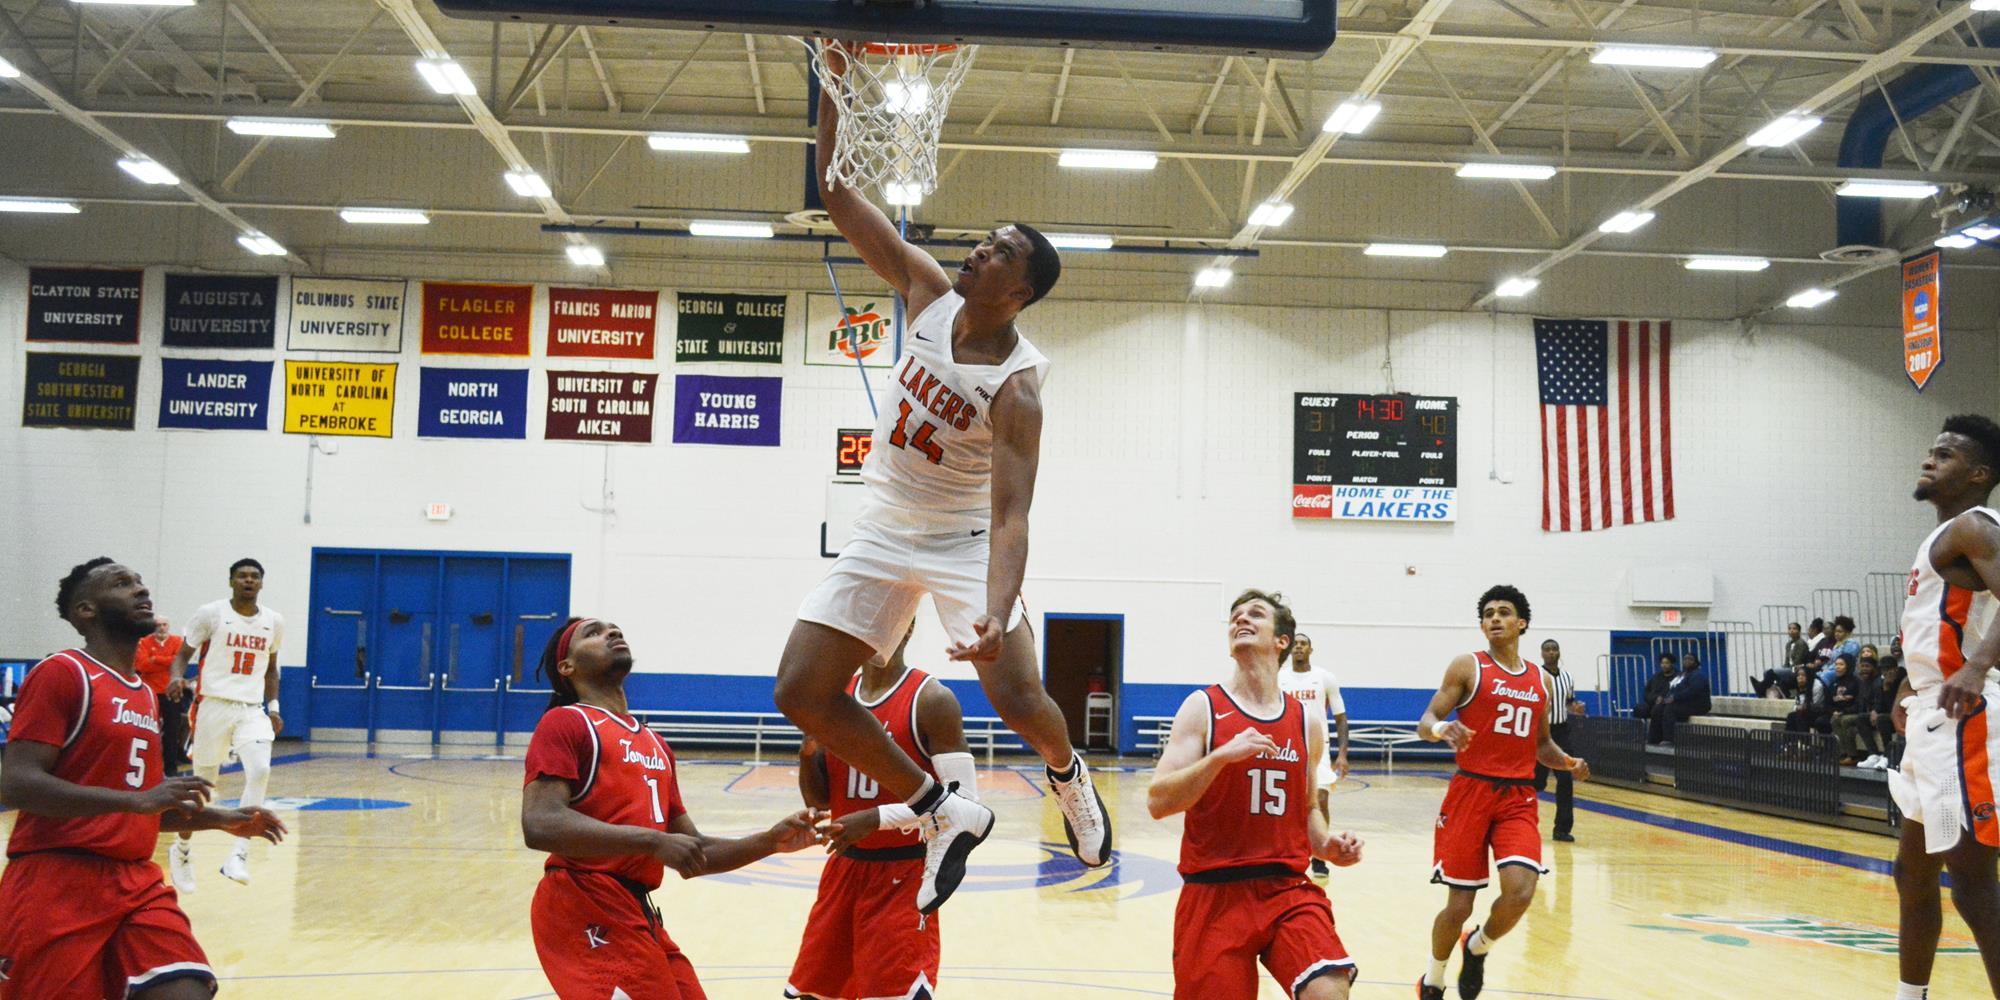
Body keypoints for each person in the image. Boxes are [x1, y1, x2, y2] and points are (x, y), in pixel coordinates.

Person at [770, 38, 1106, 915]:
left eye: (998, 252)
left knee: (1016, 691)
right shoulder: (925, 290)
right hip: (885, 522)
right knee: (801, 691)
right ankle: (942, 805)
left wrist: (995, 608)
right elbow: (839, 192)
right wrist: (834, 87)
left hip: (962, 537)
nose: (977, 252)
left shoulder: (1018, 386)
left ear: (1021, 289)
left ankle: (1069, 777)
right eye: (984, 241)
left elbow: (1010, 518)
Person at [0, 557, 285, 999]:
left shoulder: (143, 697)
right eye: (122, 584)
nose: (140, 590)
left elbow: (144, 806)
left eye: (139, 582)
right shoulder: (63, 673)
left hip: (136, 882)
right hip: (57, 879)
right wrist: (138, 802)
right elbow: (16, 784)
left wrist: (221, 820)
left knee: (186, 989)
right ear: (86, 611)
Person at [521, 617, 824, 1000]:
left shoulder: (656, 745)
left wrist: (769, 841)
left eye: (615, 629)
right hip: (582, 900)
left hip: (634, 908)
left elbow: (692, 851)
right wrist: (650, 842)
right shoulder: (566, 723)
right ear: (567, 667)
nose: (612, 633)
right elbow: (540, 823)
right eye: (593, 633)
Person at [1147, 590, 1364, 1000]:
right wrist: (1220, 758)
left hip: (1286, 889)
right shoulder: (1203, 707)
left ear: (1282, 641)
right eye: (1235, 615)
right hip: (1215, 893)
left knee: (1329, 989)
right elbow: (1158, 800)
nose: (1240, 619)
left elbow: (1307, 807)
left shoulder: (1305, 721)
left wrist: (1327, 845)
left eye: (1256, 614)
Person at [1416, 585, 1589, 1000]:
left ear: (1521, 623)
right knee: (1459, 906)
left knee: (1521, 891)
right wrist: (1443, 729)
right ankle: (1434, 977)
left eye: (1504, 612)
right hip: (1470, 792)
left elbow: (1541, 744)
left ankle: (1477, 948)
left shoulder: (1538, 680)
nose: (1494, 618)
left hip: (1517, 795)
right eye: (1488, 613)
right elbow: (1426, 722)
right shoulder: (1467, 667)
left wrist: (1566, 761)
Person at [789, 622, 967, 1000]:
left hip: (904, 871)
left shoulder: (932, 700)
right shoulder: (834, 697)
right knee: (812, 993)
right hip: (844, 869)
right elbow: (820, 800)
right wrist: (807, 755)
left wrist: (876, 819)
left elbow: (963, 807)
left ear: (908, 626)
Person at [1889, 414, 2000, 1000]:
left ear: (1979, 474)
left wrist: (1977, 666)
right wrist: (1906, 688)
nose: (1930, 460)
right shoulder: (1943, 535)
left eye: (1947, 455)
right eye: (1931, 451)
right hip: (1934, 715)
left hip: (1964, 716)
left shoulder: (1975, 527)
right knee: (1913, 872)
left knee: (1973, 885)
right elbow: (1934, 629)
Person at [164, 557, 284, 891]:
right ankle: (183, 849)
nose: (248, 581)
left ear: (262, 583)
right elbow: (181, 655)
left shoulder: (274, 621)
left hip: (250, 709)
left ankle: (238, 854)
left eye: (254, 576)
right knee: (203, 786)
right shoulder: (211, 613)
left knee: (260, 770)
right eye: (242, 576)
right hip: (212, 704)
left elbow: (272, 669)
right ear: (231, 581)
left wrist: (272, 707)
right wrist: (176, 678)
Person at [1278, 631, 1349, 876]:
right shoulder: (1279, 678)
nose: (1298, 647)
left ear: (1310, 649)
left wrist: (1342, 753)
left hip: (1319, 748)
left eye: (1303, 644)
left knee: (1321, 800)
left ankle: (1319, 855)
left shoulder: (1325, 678)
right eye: (1295, 644)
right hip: (1287, 747)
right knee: (1287, 803)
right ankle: (1286, 851)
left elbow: (1340, 717)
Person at [1533, 639, 1586, 843]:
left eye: (1555, 649)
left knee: (1565, 780)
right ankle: (1522, 822)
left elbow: (1569, 702)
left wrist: (1576, 708)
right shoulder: (1536, 676)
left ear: (1559, 653)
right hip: (1540, 733)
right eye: (1547, 649)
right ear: (1542, 653)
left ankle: (1562, 829)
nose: (1551, 652)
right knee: (1536, 782)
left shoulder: (1567, 677)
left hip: (1562, 732)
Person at [133, 615, 189, 775]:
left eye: (164, 624)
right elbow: (141, 665)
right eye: (158, 625)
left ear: (168, 626)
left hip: (172, 691)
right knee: (147, 730)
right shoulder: (143, 642)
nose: (161, 627)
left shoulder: (177, 641)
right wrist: (167, 661)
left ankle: (171, 768)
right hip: (150, 693)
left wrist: (155, 659)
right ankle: (147, 766)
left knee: (172, 731)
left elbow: (179, 662)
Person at [1648, 653, 1713, 745]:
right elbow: (1673, 689)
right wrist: (1665, 699)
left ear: (1696, 663)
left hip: (1698, 705)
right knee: (1658, 708)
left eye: (1690, 659)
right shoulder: (1681, 675)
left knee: (1670, 709)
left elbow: (1692, 691)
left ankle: (1669, 739)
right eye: (1685, 659)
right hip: (1684, 704)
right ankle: (1654, 739)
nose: (1687, 661)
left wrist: (1674, 697)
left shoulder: (1698, 676)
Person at [1829, 654, 1867, 764]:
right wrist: (1834, 711)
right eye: (1836, 664)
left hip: (1854, 713)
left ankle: (1853, 756)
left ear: (1848, 666)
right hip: (1839, 714)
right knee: (1834, 720)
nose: (1837, 667)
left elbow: (1859, 703)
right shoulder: (1834, 682)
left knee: (1844, 720)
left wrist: (1843, 712)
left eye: (1841, 664)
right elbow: (1829, 702)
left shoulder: (1856, 682)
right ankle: (1844, 753)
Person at [1631, 655, 1675, 735]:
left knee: (1657, 709)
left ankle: (1656, 737)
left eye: (1667, 663)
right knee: (1639, 709)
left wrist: (1663, 699)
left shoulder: (1677, 676)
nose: (1664, 665)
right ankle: (1639, 735)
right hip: (1653, 702)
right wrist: (1654, 698)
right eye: (1662, 663)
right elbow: (1647, 692)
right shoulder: (1656, 677)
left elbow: (1676, 692)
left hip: (1668, 704)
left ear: (1672, 664)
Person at [1783, 663, 1831, 734]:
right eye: (1798, 675)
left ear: (1809, 675)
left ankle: (1803, 743)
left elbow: (1814, 704)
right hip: (1809, 711)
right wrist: (1798, 707)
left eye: (1803, 675)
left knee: (1801, 716)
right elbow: (1798, 704)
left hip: (1822, 712)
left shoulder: (1817, 685)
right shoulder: (1801, 685)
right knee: (1791, 716)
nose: (1800, 677)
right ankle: (1789, 742)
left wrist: (1801, 707)